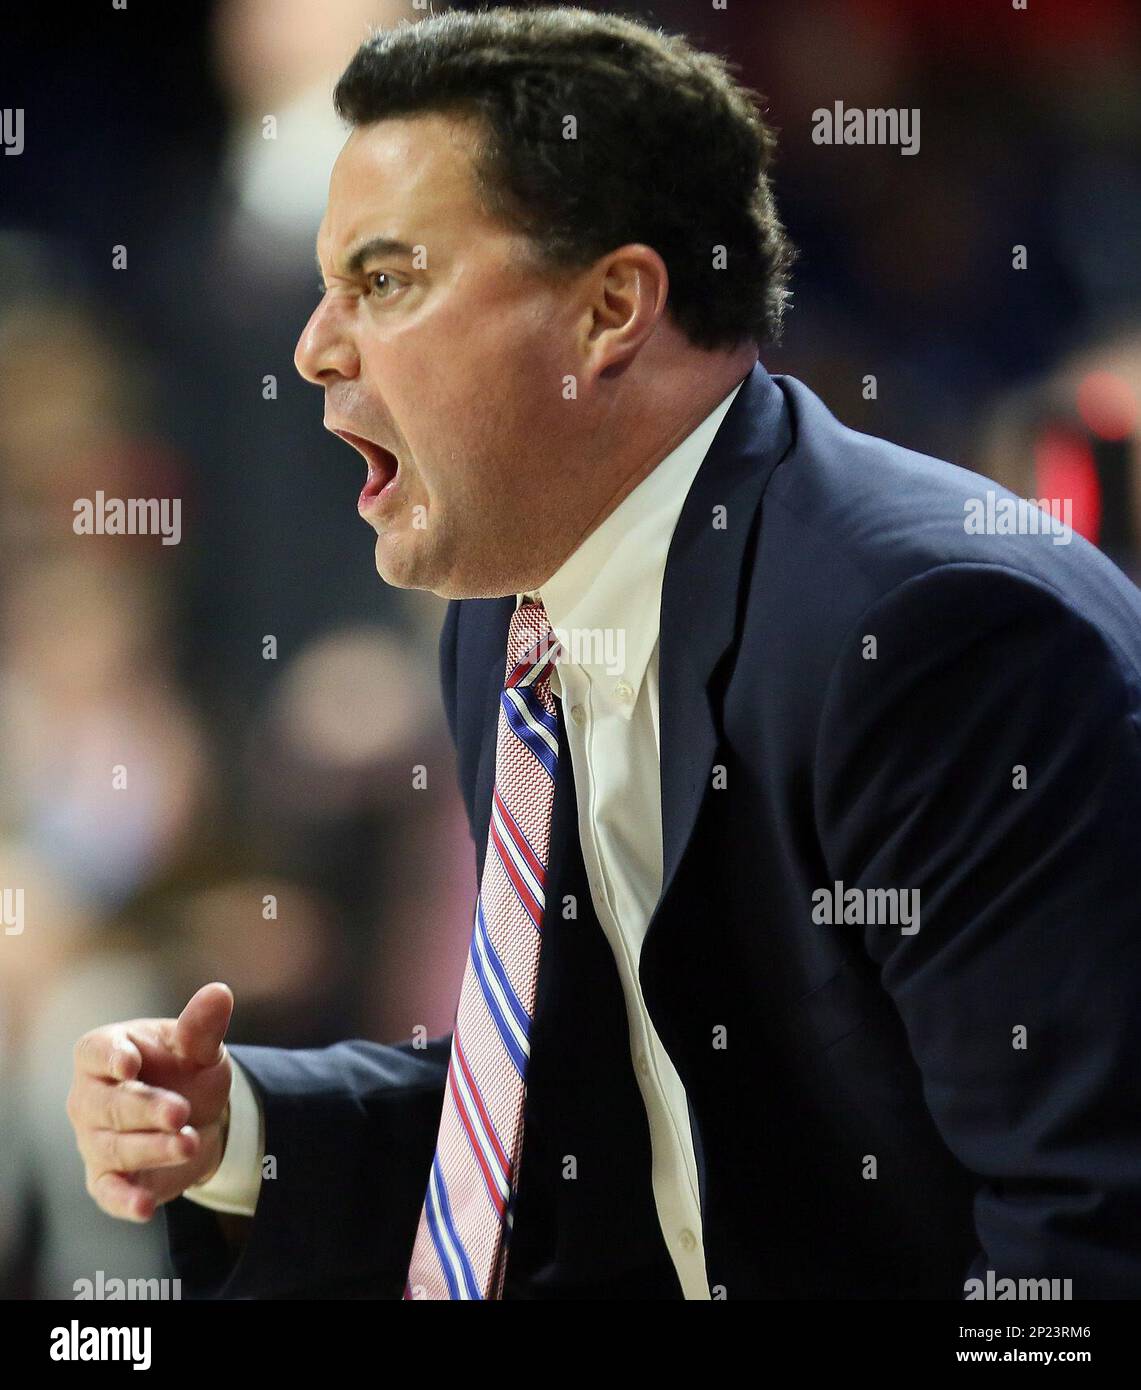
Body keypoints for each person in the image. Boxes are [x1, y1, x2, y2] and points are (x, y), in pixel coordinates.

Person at [66, 7, 1141, 1299]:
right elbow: (583, 1105)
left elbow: (1082, 1230)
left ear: (610, 310)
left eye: (386, 280)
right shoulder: (509, 616)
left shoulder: (931, 636)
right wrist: (240, 1124)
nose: (315, 346)